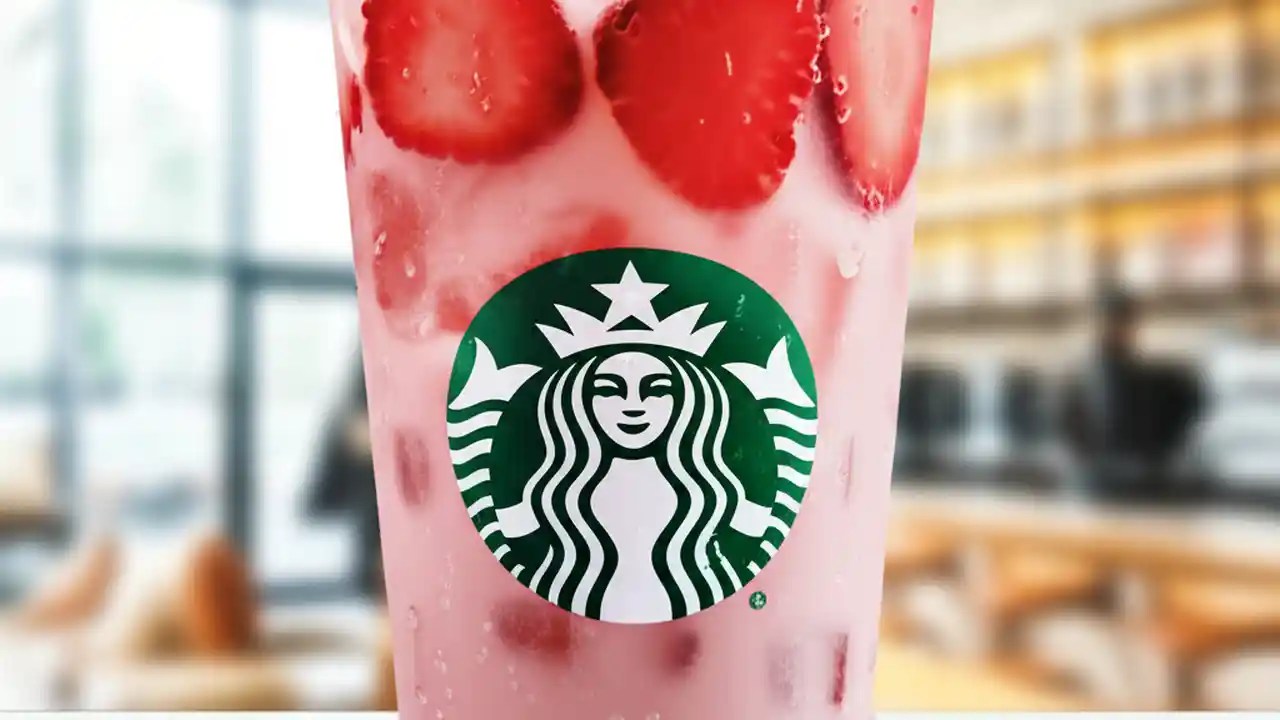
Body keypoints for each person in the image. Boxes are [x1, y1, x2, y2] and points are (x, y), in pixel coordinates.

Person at [1061, 289, 1202, 502]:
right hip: (1093, 490)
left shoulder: (1164, 383)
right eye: (1103, 322)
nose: (1109, 330)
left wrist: (1155, 462)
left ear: (1131, 327)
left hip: (1142, 492)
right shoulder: (1073, 386)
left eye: (1118, 322)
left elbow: (1187, 410)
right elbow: (1072, 440)